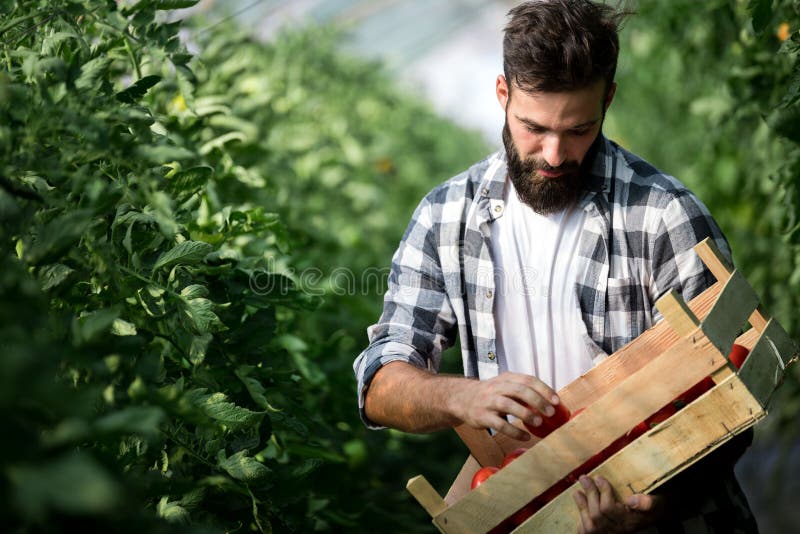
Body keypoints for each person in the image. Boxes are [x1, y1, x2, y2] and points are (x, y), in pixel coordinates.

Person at [353, 1, 757, 532]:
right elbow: (380, 381)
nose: (554, 153)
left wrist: (652, 511)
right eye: (532, 127)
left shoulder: (663, 217)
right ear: (503, 95)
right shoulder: (445, 218)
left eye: (578, 130)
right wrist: (462, 396)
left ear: (607, 100)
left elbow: (735, 396)